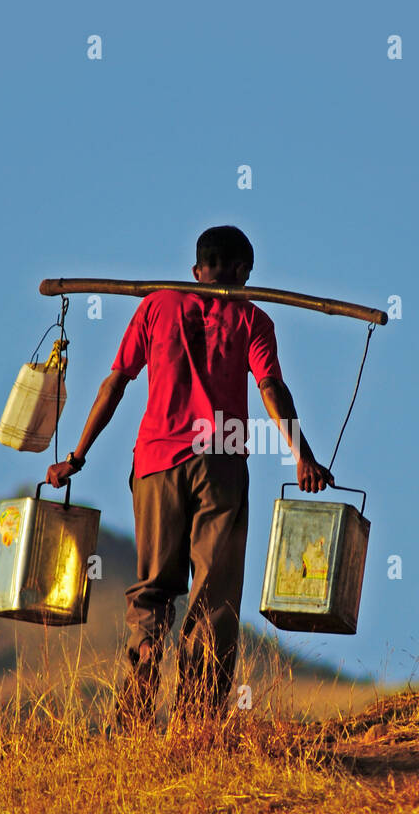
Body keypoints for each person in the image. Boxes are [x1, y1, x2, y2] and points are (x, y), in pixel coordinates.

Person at [45, 225, 334, 725]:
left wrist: (76, 454)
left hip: (156, 463)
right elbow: (271, 388)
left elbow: (115, 383)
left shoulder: (157, 305)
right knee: (213, 596)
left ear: (197, 270)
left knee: (153, 590)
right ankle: (197, 723)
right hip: (220, 464)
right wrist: (300, 454)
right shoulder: (252, 317)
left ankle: (133, 716)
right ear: (243, 272)